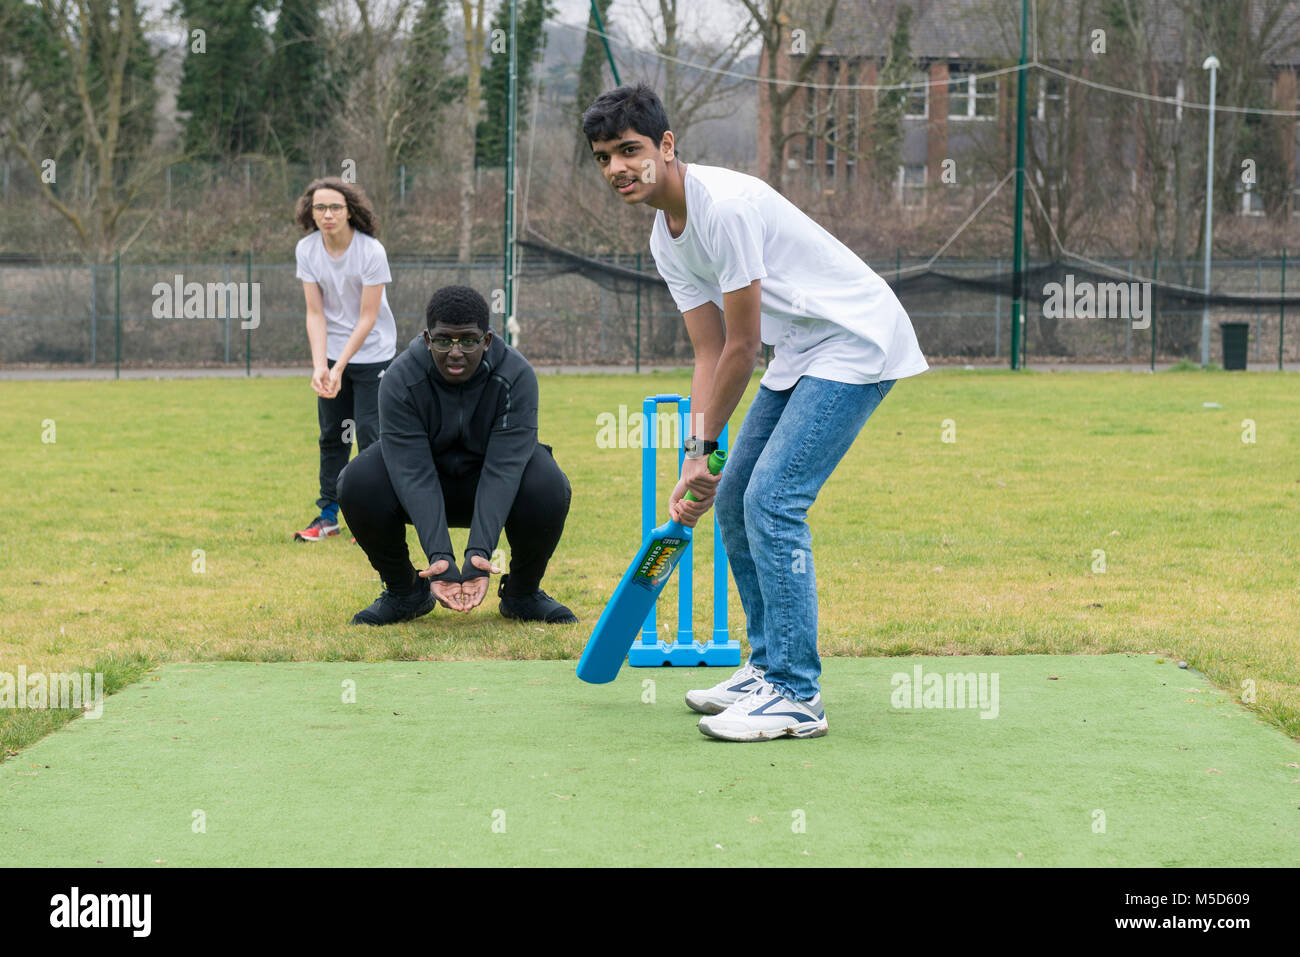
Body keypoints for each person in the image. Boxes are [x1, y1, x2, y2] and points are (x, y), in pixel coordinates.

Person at [582, 84, 929, 741]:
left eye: (630, 151)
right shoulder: (665, 236)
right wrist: (698, 454)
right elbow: (709, 350)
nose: (617, 169)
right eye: (603, 158)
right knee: (738, 491)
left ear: (666, 146)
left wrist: (707, 445)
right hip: (801, 346)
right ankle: (766, 665)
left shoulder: (726, 209)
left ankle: (797, 694)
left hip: (856, 337)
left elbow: (743, 347)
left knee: (773, 498)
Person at [337, 285, 577, 626]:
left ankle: (522, 594)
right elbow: (413, 472)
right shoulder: (399, 379)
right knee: (357, 480)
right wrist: (441, 559)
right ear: (426, 337)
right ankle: (405, 593)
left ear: (488, 340)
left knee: (548, 483)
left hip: (489, 486)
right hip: (423, 488)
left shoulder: (517, 375)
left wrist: (478, 554)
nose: (455, 352)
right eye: (443, 340)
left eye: (468, 340)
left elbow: (504, 470)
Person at [292, 177, 397, 542]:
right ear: (311, 213)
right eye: (320, 207)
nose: (327, 214)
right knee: (332, 436)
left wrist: (340, 367)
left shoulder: (371, 251)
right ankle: (328, 516)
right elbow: (315, 313)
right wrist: (321, 366)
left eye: (335, 207)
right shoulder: (306, 250)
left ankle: (374, 515)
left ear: (350, 211)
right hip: (332, 354)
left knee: (371, 435)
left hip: (374, 353)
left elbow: (367, 317)